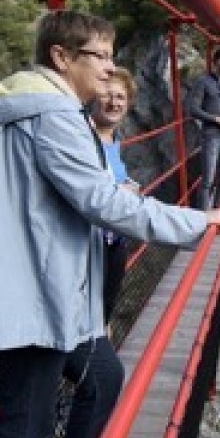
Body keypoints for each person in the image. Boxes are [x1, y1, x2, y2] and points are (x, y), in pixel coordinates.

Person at [0, 10, 220, 438]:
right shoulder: (53, 117)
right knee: (26, 428)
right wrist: (196, 221)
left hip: (43, 292)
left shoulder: (20, 111)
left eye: (110, 56)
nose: (108, 67)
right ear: (61, 57)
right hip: (35, 299)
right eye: (99, 56)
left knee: (99, 379)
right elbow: (103, 202)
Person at [89, 68, 141, 325]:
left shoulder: (113, 138)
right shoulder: (84, 138)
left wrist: (126, 185)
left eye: (120, 97)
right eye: (107, 95)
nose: (114, 103)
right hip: (90, 243)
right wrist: (120, 192)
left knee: (107, 304)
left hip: (115, 237)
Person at [187, 48, 220, 209]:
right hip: (211, 137)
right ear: (218, 62)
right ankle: (203, 217)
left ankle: (217, 212)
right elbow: (192, 109)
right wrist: (217, 120)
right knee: (207, 181)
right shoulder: (203, 82)